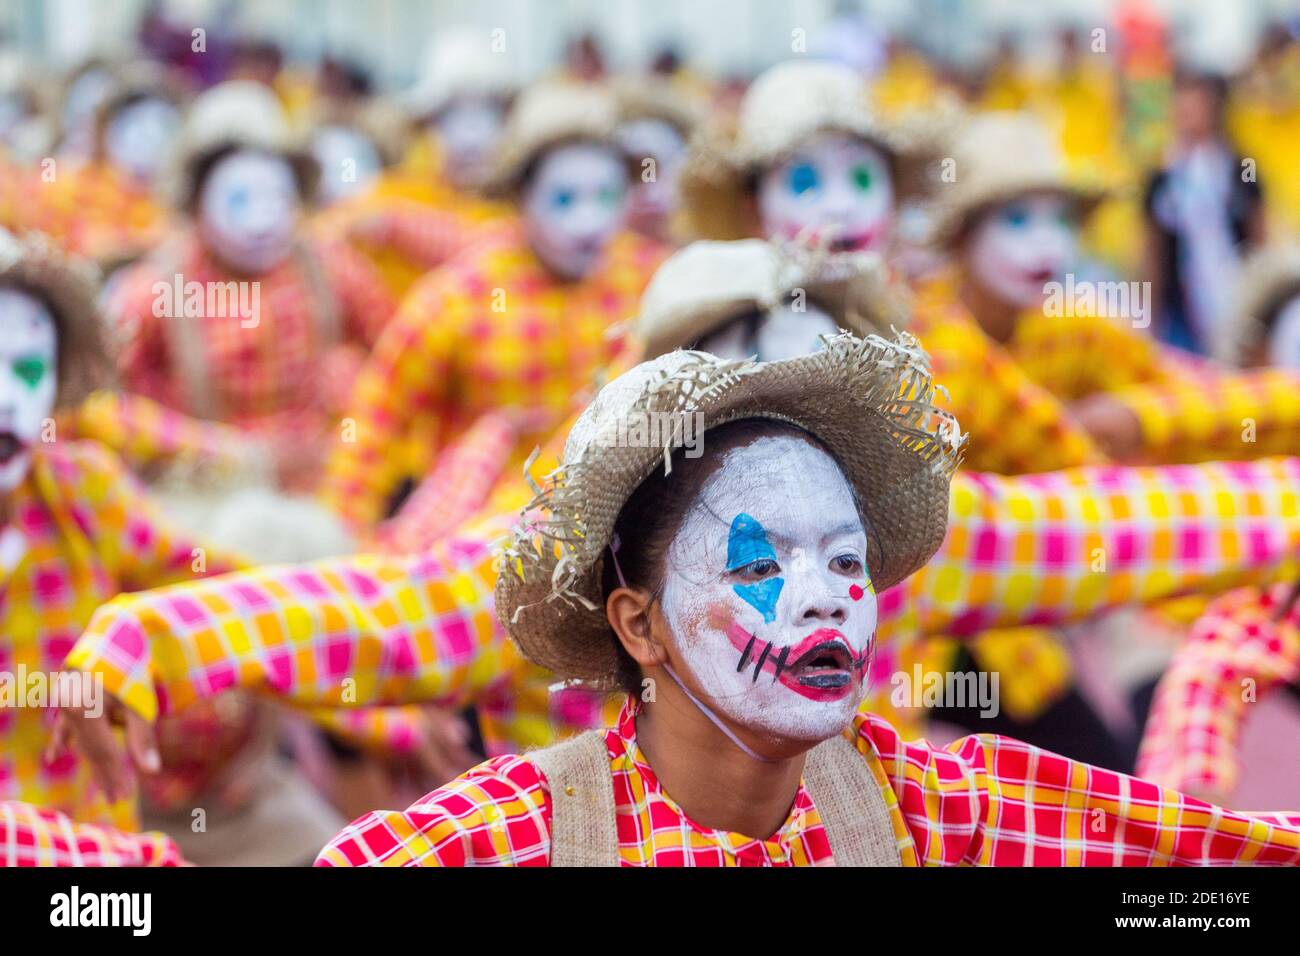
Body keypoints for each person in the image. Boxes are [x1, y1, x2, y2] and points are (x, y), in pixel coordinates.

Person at [311, 341, 1298, 866]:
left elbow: (1202, 870)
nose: (823, 600)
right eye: (756, 568)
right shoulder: (497, 843)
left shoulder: (929, 807)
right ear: (639, 623)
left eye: (845, 560)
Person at [318, 81, 668, 529]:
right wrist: (346, 535)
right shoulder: (465, 294)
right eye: (563, 200)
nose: (588, 223)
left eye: (605, 198)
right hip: (481, 537)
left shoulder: (652, 279)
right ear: (522, 197)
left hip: (625, 523)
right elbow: (377, 418)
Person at [0, 231, 243, 830]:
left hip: (96, 857)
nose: (6, 400)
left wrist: (378, 713)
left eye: (28, 368)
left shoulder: (84, 491)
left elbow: (226, 594)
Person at [104, 81, 395, 489]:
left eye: (276, 198)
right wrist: (190, 444)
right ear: (198, 200)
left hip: (324, 483)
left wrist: (356, 405)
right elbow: (104, 395)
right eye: (239, 200)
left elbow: (400, 355)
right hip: (202, 494)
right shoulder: (156, 288)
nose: (262, 222)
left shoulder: (330, 267)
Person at [1143, 69, 1266, 355]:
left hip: (1236, 300)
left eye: (1195, 102)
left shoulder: (1239, 169)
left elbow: (1259, 241)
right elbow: (1152, 253)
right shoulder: (1163, 175)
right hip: (1180, 309)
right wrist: (1150, 315)